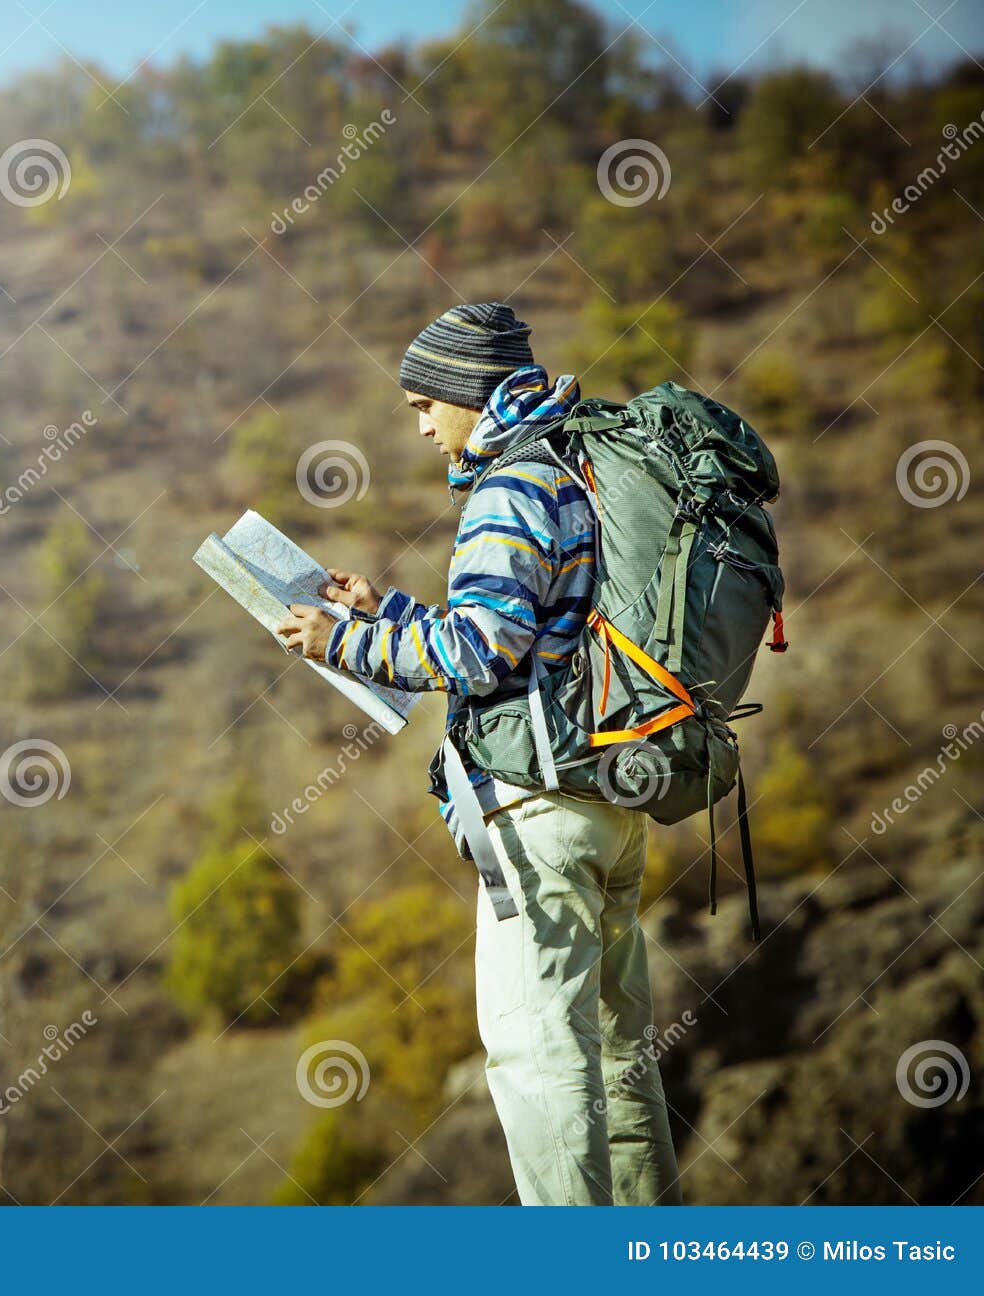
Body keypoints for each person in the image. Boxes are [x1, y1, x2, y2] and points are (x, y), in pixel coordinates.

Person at [276, 302, 681, 1206]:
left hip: (535, 812)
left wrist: (339, 644)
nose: (420, 425)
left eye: (425, 403)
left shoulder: (511, 485)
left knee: (540, 1058)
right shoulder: (572, 464)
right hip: (604, 801)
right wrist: (386, 615)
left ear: (469, 391)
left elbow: (481, 651)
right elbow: (537, 636)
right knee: (621, 1060)